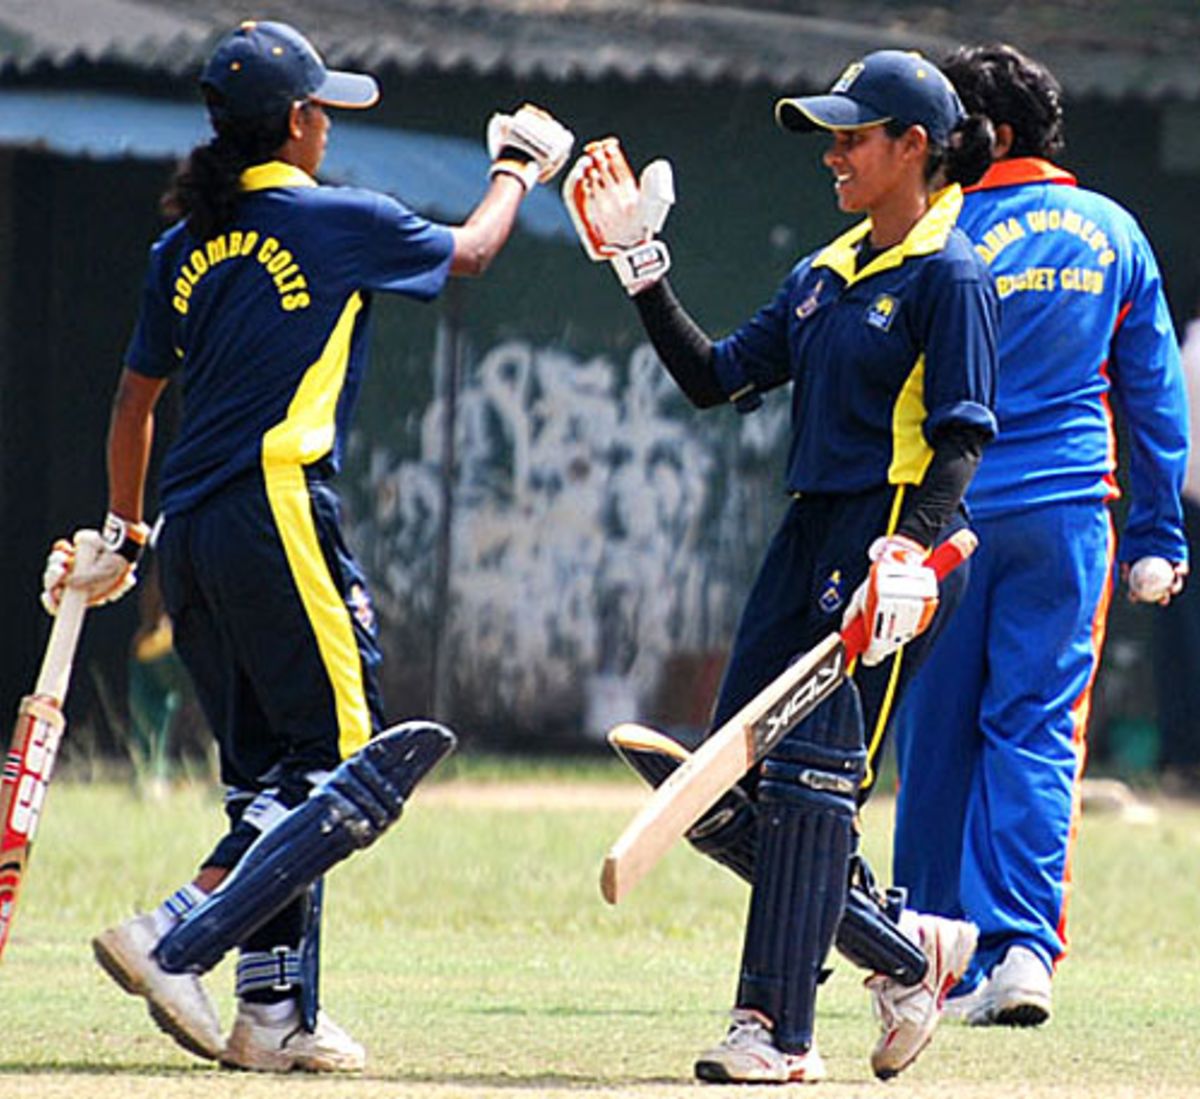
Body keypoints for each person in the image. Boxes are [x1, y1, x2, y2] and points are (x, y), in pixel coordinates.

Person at [39, 19, 573, 1072]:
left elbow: (135, 400)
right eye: (322, 109)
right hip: (276, 507)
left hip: (190, 530)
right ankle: (176, 933)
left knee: (269, 782)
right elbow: (470, 252)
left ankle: (274, 1012)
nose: (328, 125)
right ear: (295, 122)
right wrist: (517, 169)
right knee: (347, 765)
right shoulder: (337, 221)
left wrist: (126, 533)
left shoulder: (182, 247)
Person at [564, 50, 999, 1083]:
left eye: (854, 138)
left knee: (811, 787)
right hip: (806, 536)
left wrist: (910, 555)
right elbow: (715, 377)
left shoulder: (950, 273)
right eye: (831, 139)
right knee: (732, 786)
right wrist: (641, 268)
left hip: (891, 545)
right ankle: (907, 954)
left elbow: (962, 437)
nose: (834, 156)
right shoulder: (825, 274)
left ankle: (774, 1033)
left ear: (915, 147)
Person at [890, 43, 1188, 1029]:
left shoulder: (938, 231)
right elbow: (1155, 396)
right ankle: (1020, 950)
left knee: (935, 732)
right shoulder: (1114, 230)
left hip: (949, 521)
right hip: (1066, 522)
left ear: (994, 134)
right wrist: (1158, 533)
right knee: (1036, 731)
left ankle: (924, 954)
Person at [1152, 304, 1200, 794]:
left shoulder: (1183, 348)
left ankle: (1182, 756)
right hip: (1186, 510)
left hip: (1183, 504)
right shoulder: (1189, 352)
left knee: (1182, 637)